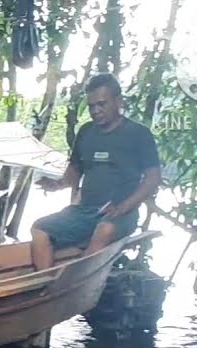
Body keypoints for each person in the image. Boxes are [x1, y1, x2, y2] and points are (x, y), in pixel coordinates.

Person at [30, 73, 162, 270]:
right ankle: (46, 286)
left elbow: (153, 179)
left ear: (118, 101)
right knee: (39, 229)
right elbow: (74, 170)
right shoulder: (86, 132)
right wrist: (56, 184)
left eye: (102, 104)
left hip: (121, 215)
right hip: (84, 212)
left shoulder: (138, 134)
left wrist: (122, 207)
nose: (96, 111)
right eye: (91, 106)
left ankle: (75, 280)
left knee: (104, 229)